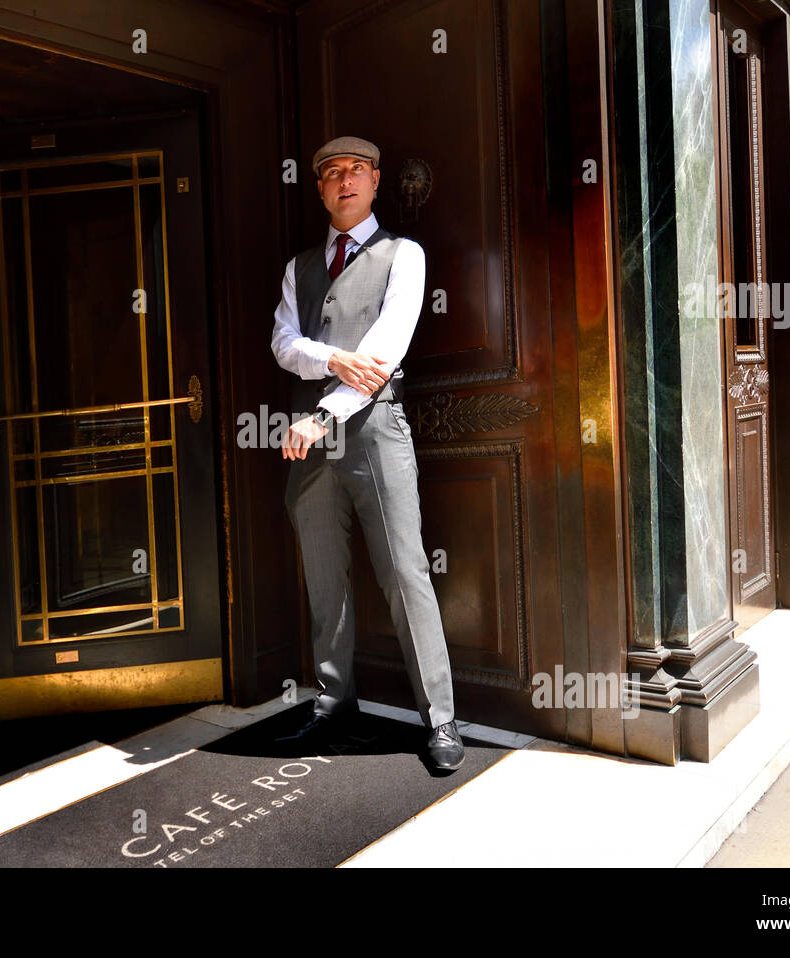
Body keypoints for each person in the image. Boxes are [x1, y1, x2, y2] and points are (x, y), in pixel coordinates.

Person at [269, 135, 463, 771]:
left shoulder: (403, 254)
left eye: (356, 170)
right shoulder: (299, 267)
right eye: (331, 173)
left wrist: (327, 409)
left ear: (376, 182)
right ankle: (333, 704)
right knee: (325, 579)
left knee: (405, 572)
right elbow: (285, 344)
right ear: (320, 188)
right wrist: (330, 359)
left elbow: (389, 345)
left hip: (373, 429)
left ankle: (440, 719)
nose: (343, 180)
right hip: (311, 440)